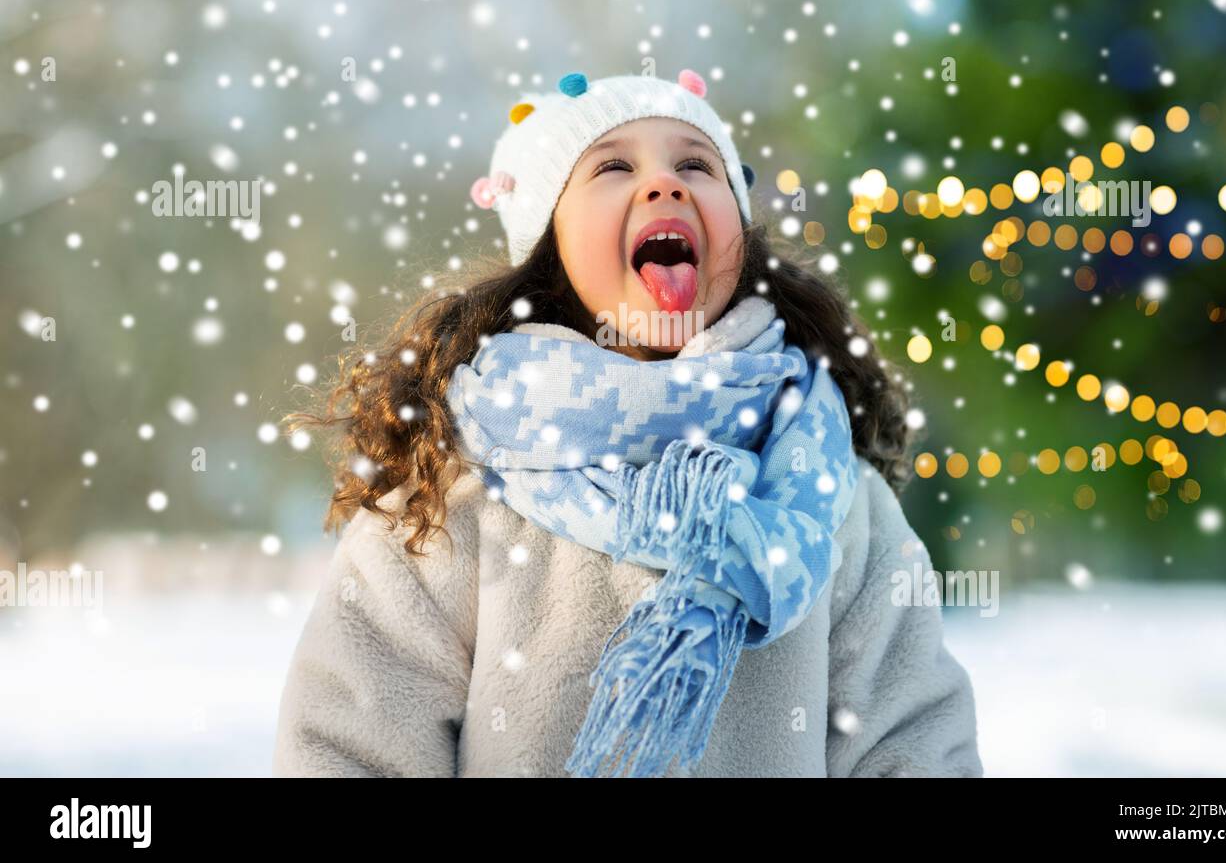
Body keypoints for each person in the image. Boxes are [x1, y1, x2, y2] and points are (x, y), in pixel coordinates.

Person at [272, 68, 983, 778]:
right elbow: (350, 743)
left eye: (696, 165)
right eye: (614, 166)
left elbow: (913, 741)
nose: (664, 185)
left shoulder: (827, 491)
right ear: (549, 246)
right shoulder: (455, 489)